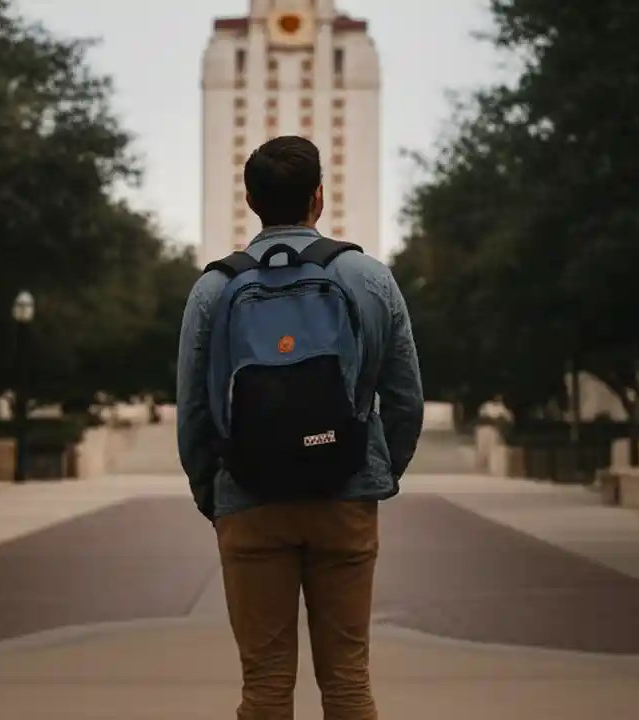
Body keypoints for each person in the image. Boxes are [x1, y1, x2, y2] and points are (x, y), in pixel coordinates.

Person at [177, 136, 423, 719]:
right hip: (345, 494)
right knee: (346, 682)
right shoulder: (368, 277)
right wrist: (378, 472)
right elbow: (405, 396)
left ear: (250, 199)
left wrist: (211, 493)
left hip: (249, 498)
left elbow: (192, 408)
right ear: (319, 196)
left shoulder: (214, 289)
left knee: (264, 685)